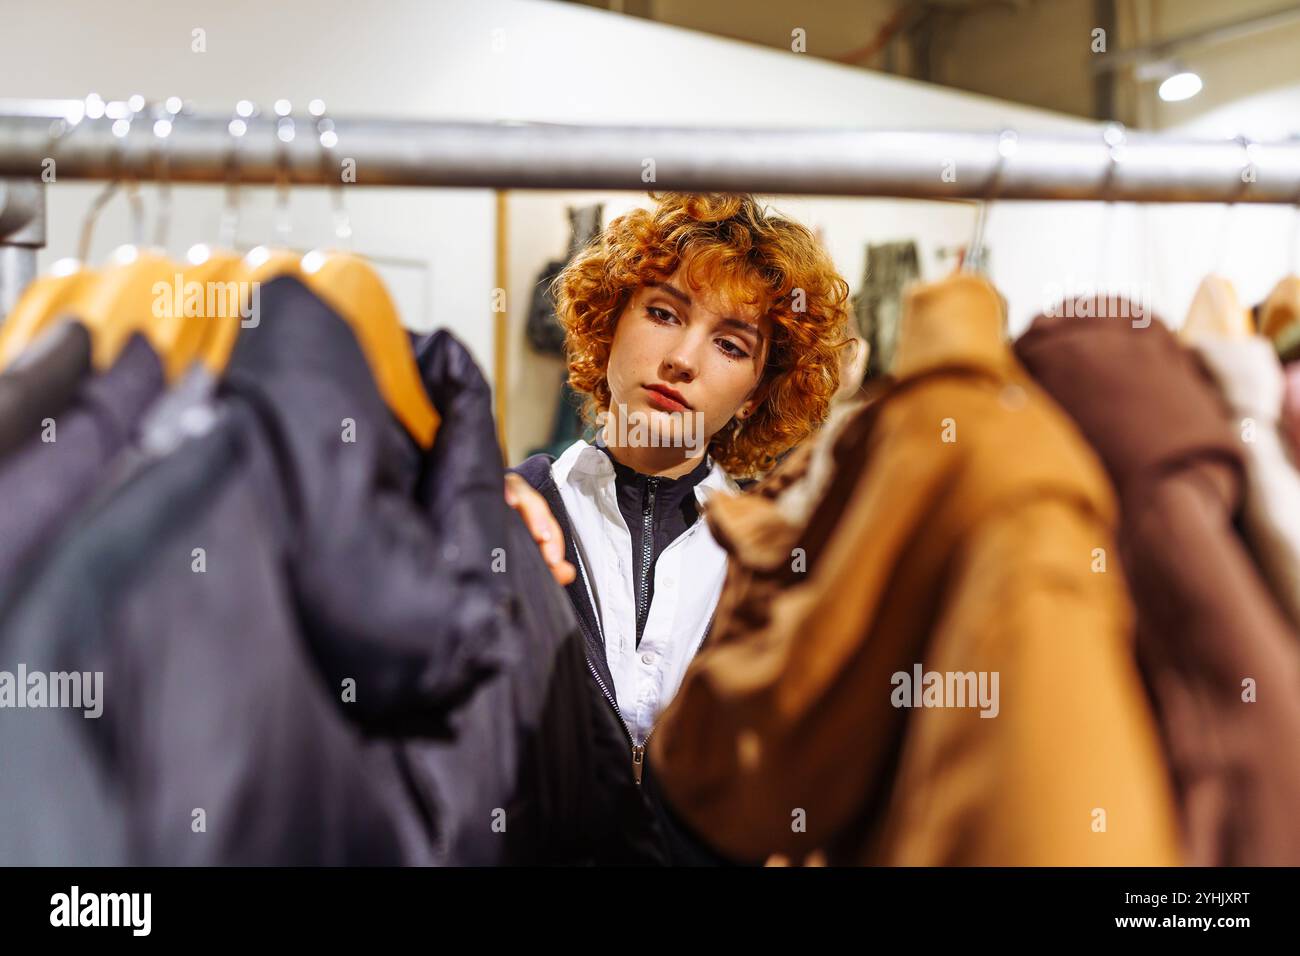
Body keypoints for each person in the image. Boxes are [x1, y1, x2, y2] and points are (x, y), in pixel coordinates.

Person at [506, 192, 851, 863]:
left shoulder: (781, 559)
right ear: (611, 320)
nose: (683, 360)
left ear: (756, 389)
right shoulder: (507, 517)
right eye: (663, 313)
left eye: (729, 343)